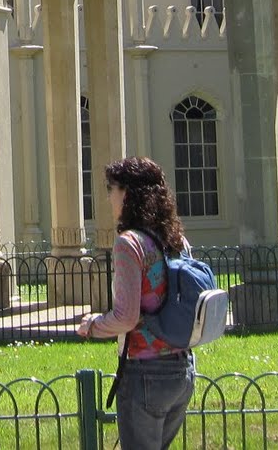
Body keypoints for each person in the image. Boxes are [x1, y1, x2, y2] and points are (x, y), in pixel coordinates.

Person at [75, 157, 195, 449]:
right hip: (182, 371)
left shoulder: (129, 244)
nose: (107, 197)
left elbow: (126, 317)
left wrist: (92, 325)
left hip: (145, 374)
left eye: (110, 189)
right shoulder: (176, 240)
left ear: (127, 194)